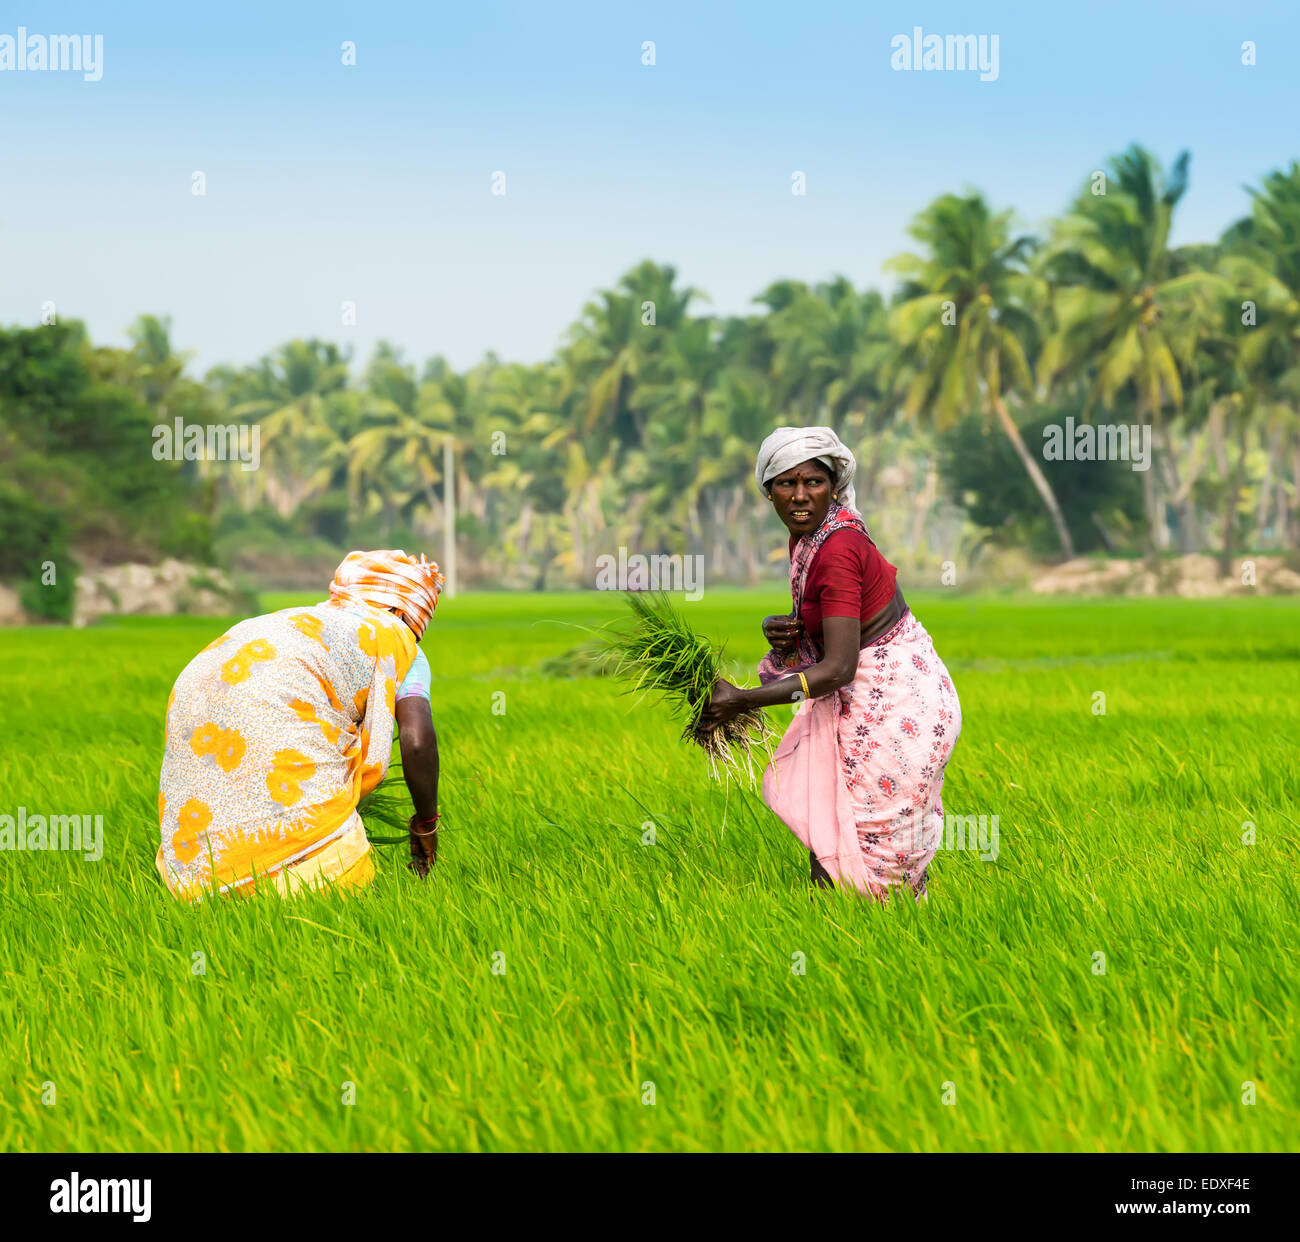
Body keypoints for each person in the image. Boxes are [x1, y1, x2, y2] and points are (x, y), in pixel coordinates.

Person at [699, 427, 961, 900]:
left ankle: (868, 942)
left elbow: (837, 669)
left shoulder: (836, 547)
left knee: (870, 837)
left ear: (833, 487)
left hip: (898, 703)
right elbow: (835, 625)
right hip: (878, 692)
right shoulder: (812, 538)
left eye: (813, 482)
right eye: (786, 483)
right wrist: (790, 629)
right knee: (841, 820)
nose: (800, 495)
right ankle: (844, 936)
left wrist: (743, 700)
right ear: (768, 491)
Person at [155, 549, 444, 901]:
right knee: (345, 875)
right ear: (401, 611)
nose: (416, 633)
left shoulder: (303, 620)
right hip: (269, 703)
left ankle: (207, 885)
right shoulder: (394, 635)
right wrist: (426, 825)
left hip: (193, 691)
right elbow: (416, 741)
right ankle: (287, 885)